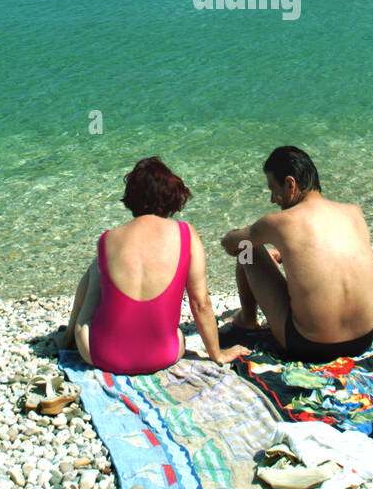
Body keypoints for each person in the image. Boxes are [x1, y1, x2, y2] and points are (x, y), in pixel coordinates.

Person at [58, 157, 249, 373]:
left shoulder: (108, 239)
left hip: (102, 355)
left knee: (97, 268)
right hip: (163, 355)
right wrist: (217, 354)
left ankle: (67, 338)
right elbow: (200, 303)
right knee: (174, 331)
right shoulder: (186, 235)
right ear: (173, 198)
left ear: (131, 198)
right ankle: (69, 337)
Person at [218, 146, 373, 363]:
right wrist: (284, 253)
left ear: (291, 184)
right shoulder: (353, 212)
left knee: (248, 247)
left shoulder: (280, 222)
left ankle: (247, 319)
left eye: (273, 189)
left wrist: (234, 238)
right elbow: (325, 250)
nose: (273, 199)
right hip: (364, 339)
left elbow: (231, 244)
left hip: (311, 347)